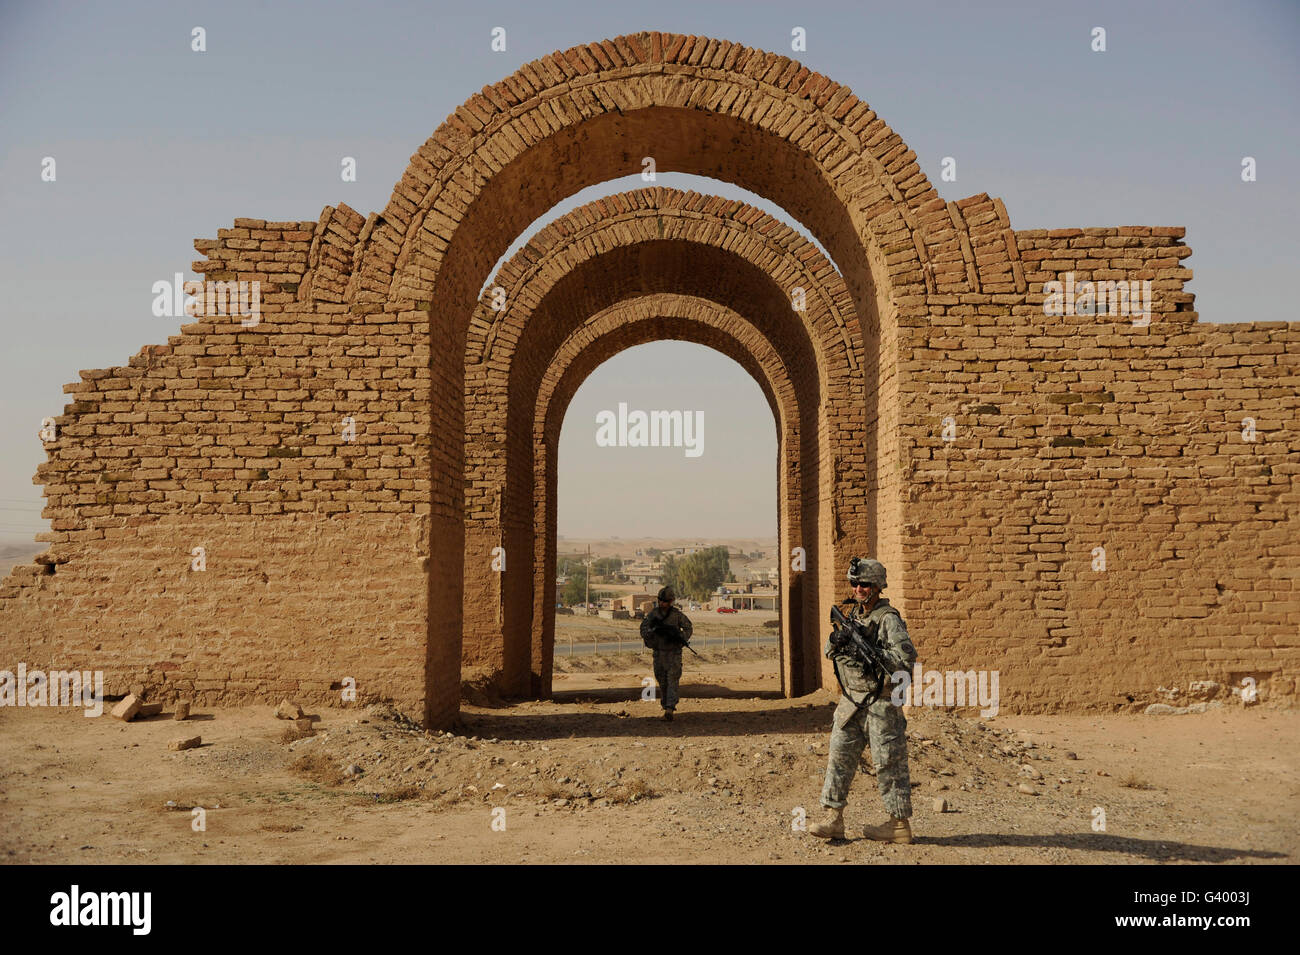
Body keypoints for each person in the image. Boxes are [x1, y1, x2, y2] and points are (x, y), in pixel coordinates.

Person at [808, 557, 917, 843]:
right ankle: (833, 818)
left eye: (864, 584)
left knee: (888, 763)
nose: (858, 589)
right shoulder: (852, 616)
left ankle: (898, 824)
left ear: (877, 586)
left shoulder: (887, 619)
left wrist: (873, 655)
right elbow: (829, 652)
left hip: (881, 704)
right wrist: (839, 641)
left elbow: (906, 661)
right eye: (854, 584)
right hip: (851, 702)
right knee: (839, 758)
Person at [639, 586, 693, 721]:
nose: (662, 603)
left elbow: (688, 627)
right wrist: (654, 632)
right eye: (660, 600)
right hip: (659, 653)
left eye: (665, 601)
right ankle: (666, 705)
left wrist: (679, 638)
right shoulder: (653, 615)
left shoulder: (677, 615)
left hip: (673, 653)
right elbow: (643, 630)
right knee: (662, 681)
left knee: (672, 680)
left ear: (671, 601)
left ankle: (670, 708)